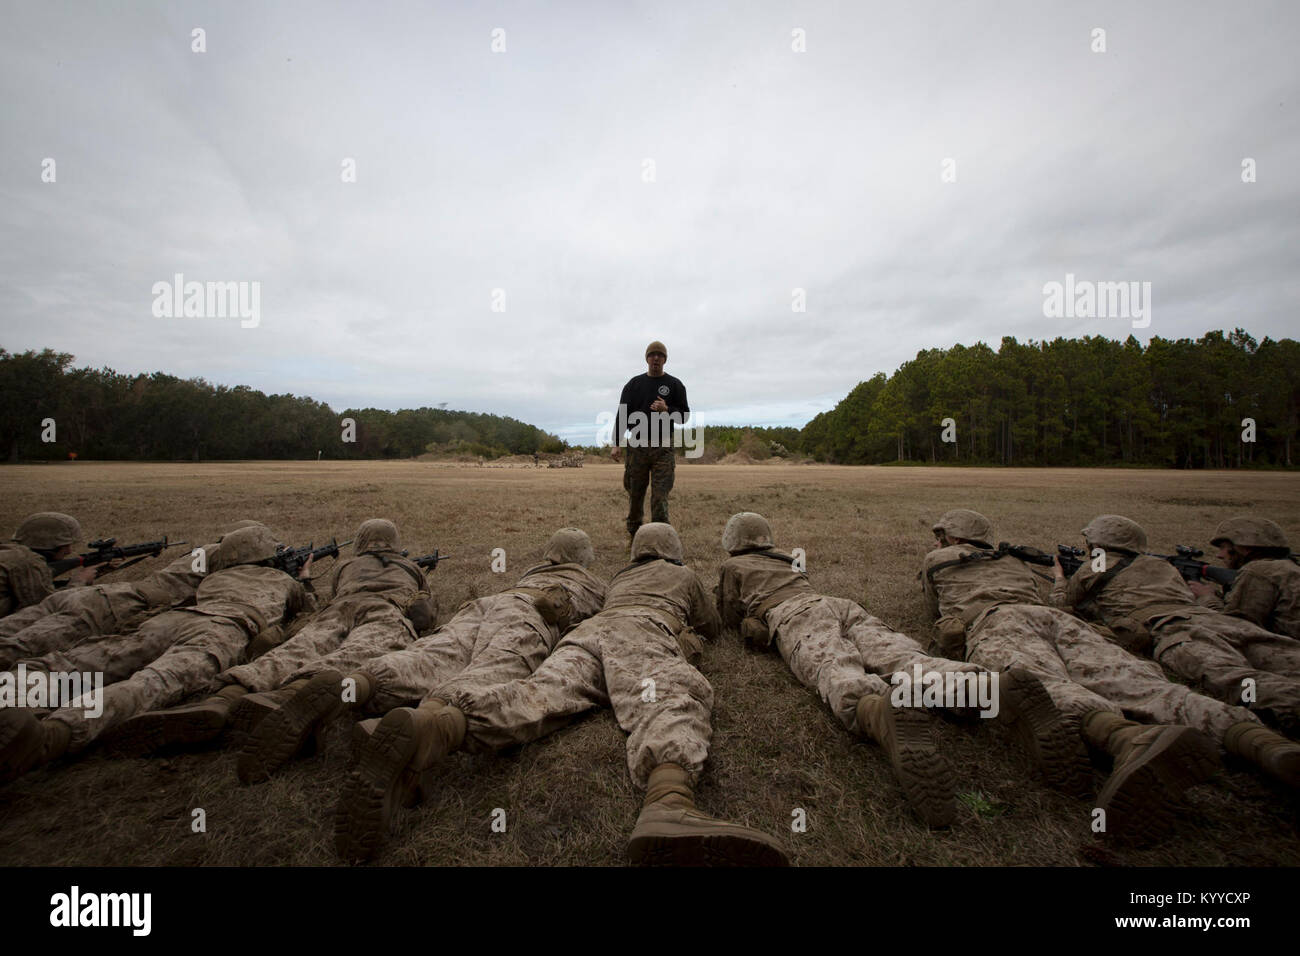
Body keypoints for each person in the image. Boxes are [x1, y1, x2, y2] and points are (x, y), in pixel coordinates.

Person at [335, 523, 788, 866]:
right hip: (642, 632)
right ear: (673, 551)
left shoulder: (615, 581)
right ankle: (670, 801)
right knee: (668, 694)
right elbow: (710, 625)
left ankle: (436, 727)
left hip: (585, 636)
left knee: (541, 694)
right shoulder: (681, 575)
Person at [922, 509, 1299, 838]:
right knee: (1138, 681)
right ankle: (1266, 745)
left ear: (950, 537)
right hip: (1060, 620)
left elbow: (934, 607)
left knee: (1041, 684)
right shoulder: (1017, 561)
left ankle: (1125, 739)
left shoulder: (940, 559)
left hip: (998, 622)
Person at [104, 519, 434, 783]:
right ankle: (289, 697)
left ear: (361, 543)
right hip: (383, 611)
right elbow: (423, 615)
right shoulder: (411, 569)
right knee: (353, 654)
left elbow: (330, 598)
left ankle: (223, 698)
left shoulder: (344, 567)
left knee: (293, 651)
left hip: (337, 609)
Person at [716, 512, 989, 827]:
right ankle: (968, 683)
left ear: (731, 542)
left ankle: (876, 711)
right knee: (890, 649)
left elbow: (728, 614)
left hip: (794, 613)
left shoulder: (731, 567)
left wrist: (751, 623)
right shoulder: (787, 558)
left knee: (833, 663)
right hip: (837, 604)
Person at [0, 525, 314, 784]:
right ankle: (53, 735)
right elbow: (307, 613)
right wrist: (304, 578)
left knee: (92, 661)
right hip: (221, 631)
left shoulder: (214, 576)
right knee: (151, 683)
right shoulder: (285, 581)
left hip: (172, 619)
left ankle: (12, 690)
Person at [1051, 514, 1300, 737]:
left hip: (1174, 629)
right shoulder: (1162, 564)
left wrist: (1060, 579)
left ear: (1096, 543)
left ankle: (1288, 704)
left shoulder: (1096, 564)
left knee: (1237, 679)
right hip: (1218, 620)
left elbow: (1063, 604)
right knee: (1287, 657)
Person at [0, 520, 262, 672]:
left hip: (95, 595)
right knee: (16, 652)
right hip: (108, 606)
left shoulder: (196, 556)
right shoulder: (227, 560)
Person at [609, 341, 688, 537]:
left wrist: (667, 409)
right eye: (652, 355)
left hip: (663, 447)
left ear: (665, 360)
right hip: (637, 445)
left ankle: (661, 539)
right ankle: (634, 537)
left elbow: (684, 416)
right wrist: (616, 443)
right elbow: (622, 415)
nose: (656, 358)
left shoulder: (675, 385)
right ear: (646, 358)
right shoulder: (634, 384)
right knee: (635, 493)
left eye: (660, 355)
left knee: (660, 495)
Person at [1188, 516, 1300, 640]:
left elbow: (1235, 628)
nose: (1219, 555)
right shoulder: (1289, 568)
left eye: (1223, 547)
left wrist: (1206, 597)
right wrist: (1219, 597)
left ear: (1245, 547)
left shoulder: (1258, 571)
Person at [0, 513, 95, 618]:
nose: (69, 551)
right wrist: (80, 580)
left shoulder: (9, 551)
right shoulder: (26, 560)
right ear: (50, 544)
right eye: (65, 545)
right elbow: (46, 607)